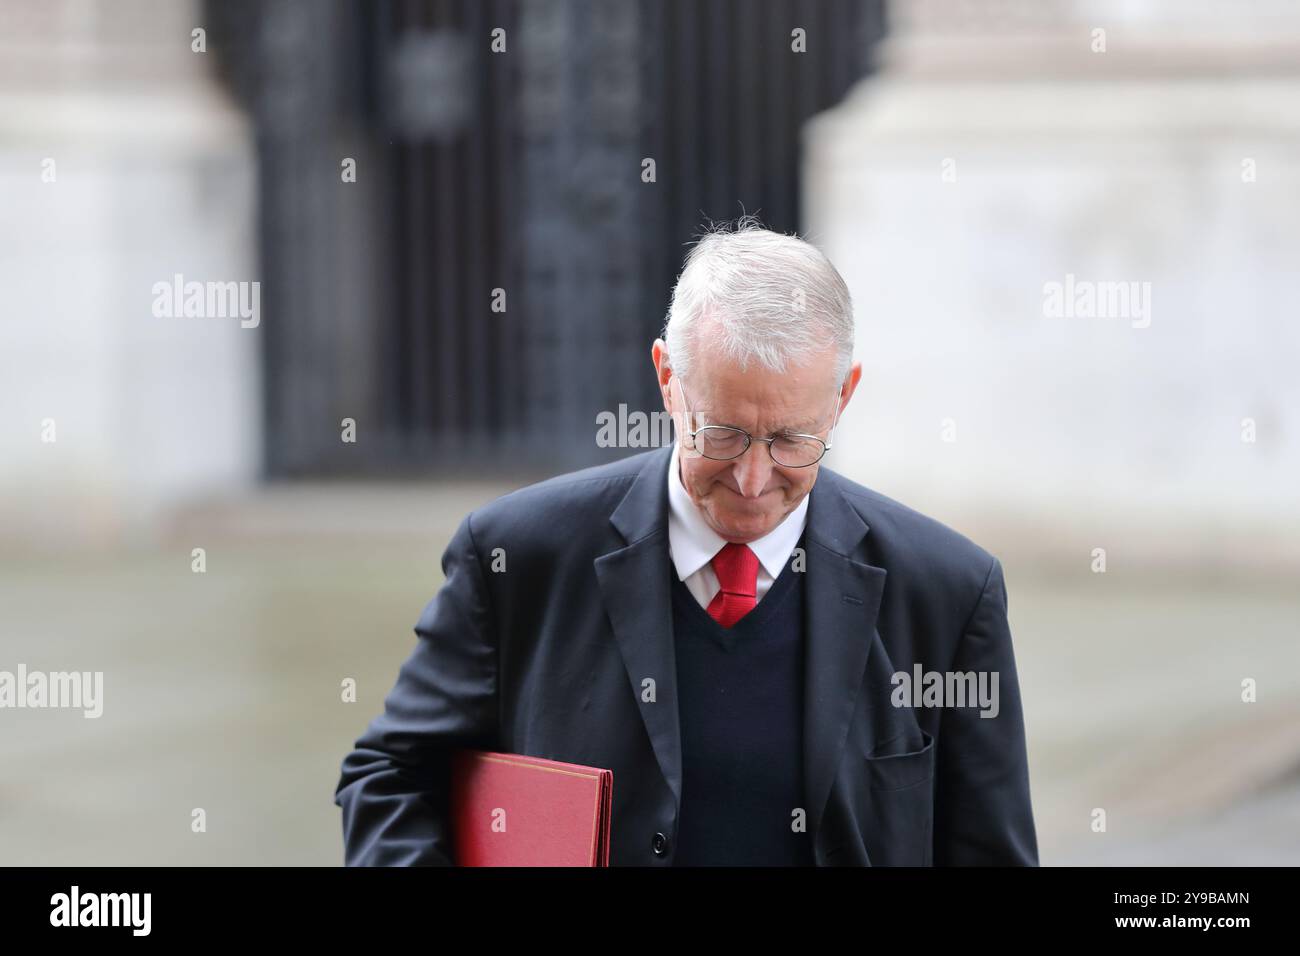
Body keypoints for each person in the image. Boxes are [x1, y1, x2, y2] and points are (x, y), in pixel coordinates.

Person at [334, 218, 1038, 866]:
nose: (754, 479)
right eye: (723, 433)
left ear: (843, 398)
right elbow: (391, 777)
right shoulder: (516, 556)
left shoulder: (948, 592)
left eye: (792, 440)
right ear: (668, 379)